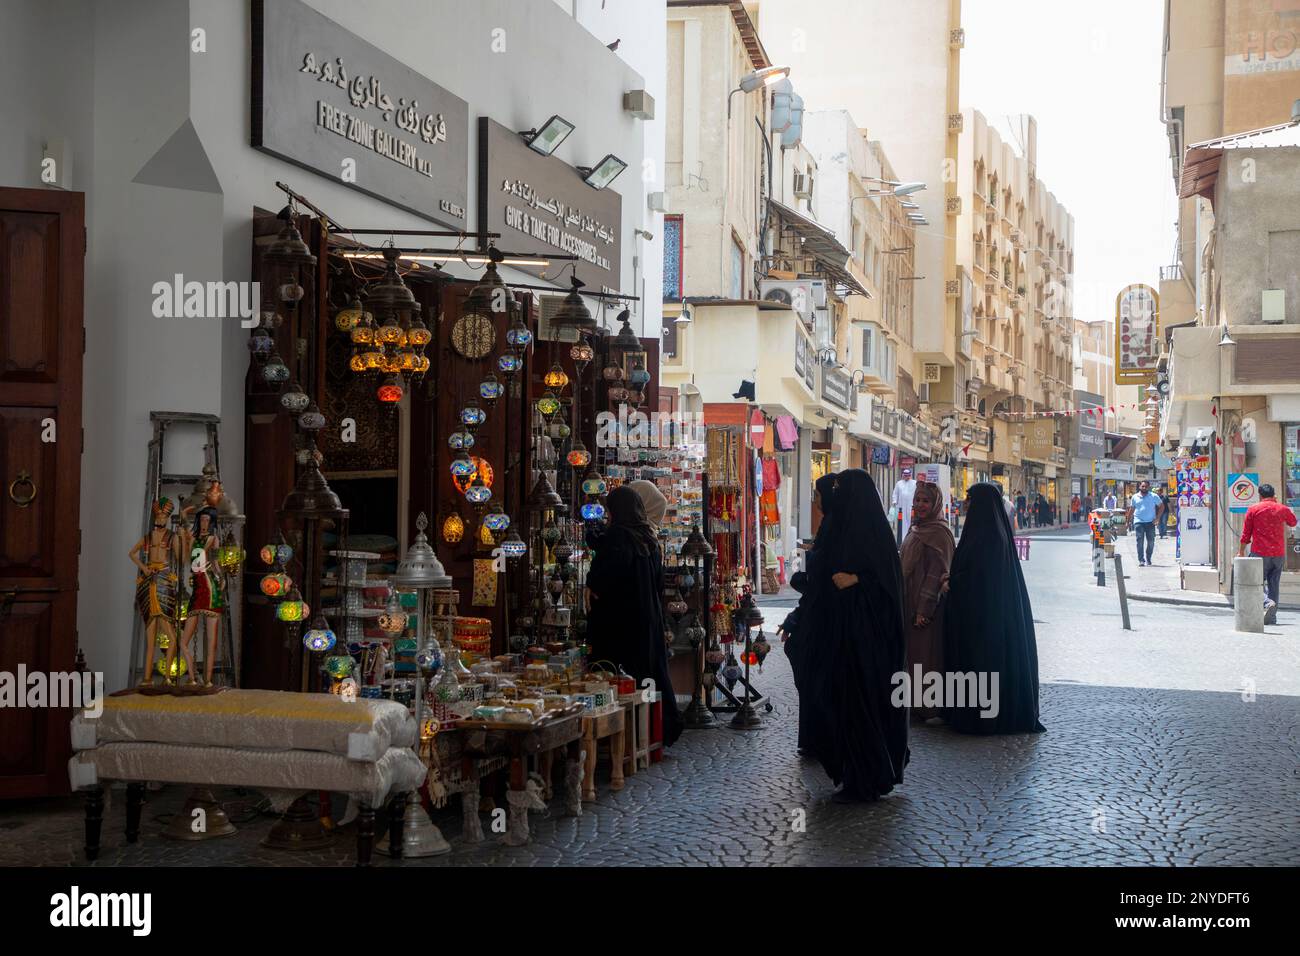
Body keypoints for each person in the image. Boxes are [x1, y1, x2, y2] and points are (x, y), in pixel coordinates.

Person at [800, 469, 909, 802]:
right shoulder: (839, 530)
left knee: (863, 708)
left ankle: (867, 777)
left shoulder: (874, 538)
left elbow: (889, 588)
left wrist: (859, 580)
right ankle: (851, 774)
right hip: (841, 640)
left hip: (867, 646)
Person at [944, 482, 1046, 735]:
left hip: (983, 619)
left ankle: (980, 715)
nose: (965, 502)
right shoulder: (990, 532)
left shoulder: (986, 536)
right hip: (988, 616)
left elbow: (977, 578)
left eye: (969, 498)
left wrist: (951, 582)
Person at [585, 485, 682, 746]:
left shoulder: (619, 536)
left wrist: (593, 584)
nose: (608, 516)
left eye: (609, 511)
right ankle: (654, 731)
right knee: (648, 677)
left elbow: (606, 576)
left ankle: (626, 737)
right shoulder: (648, 539)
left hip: (621, 623)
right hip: (647, 620)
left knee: (622, 679)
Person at [779, 472, 837, 753]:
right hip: (818, 619)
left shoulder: (836, 532)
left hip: (825, 625)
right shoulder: (832, 528)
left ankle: (821, 741)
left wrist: (802, 570)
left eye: (817, 496)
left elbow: (817, 581)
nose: (815, 502)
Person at [900, 481, 954, 723]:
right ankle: (914, 703)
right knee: (913, 655)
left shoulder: (939, 532)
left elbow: (937, 573)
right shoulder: (917, 528)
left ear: (935, 505)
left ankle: (930, 707)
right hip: (908, 601)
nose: (921, 505)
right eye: (918, 500)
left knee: (927, 654)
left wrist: (924, 609)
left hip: (925, 607)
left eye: (926, 501)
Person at [1237, 483, 1297, 625]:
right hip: (1278, 553)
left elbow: (1246, 534)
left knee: (1255, 583)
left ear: (1260, 495)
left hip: (1260, 553)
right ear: (1273, 494)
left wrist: (1241, 551)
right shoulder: (1282, 508)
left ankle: (1266, 602)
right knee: (1274, 584)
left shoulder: (1253, 509)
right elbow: (1293, 522)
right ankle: (1271, 617)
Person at [1127, 480, 1160, 566]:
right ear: (1139, 487)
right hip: (1139, 522)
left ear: (1149, 487)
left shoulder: (1154, 496)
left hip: (1150, 522)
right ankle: (1141, 560)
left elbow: (1162, 506)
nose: (1144, 488)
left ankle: (1148, 557)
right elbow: (1131, 509)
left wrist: (1157, 518)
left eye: (1146, 486)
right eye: (1142, 486)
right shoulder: (1135, 497)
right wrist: (1127, 521)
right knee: (1140, 541)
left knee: (1151, 542)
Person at [891, 467, 917, 543]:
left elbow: (917, 494)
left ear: (910, 475)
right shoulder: (899, 483)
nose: (907, 477)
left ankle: (910, 538)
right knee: (901, 522)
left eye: (908, 475)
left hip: (910, 506)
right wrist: (894, 501)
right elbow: (895, 494)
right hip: (901, 506)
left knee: (910, 521)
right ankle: (902, 539)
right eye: (905, 475)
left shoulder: (914, 483)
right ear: (903, 475)